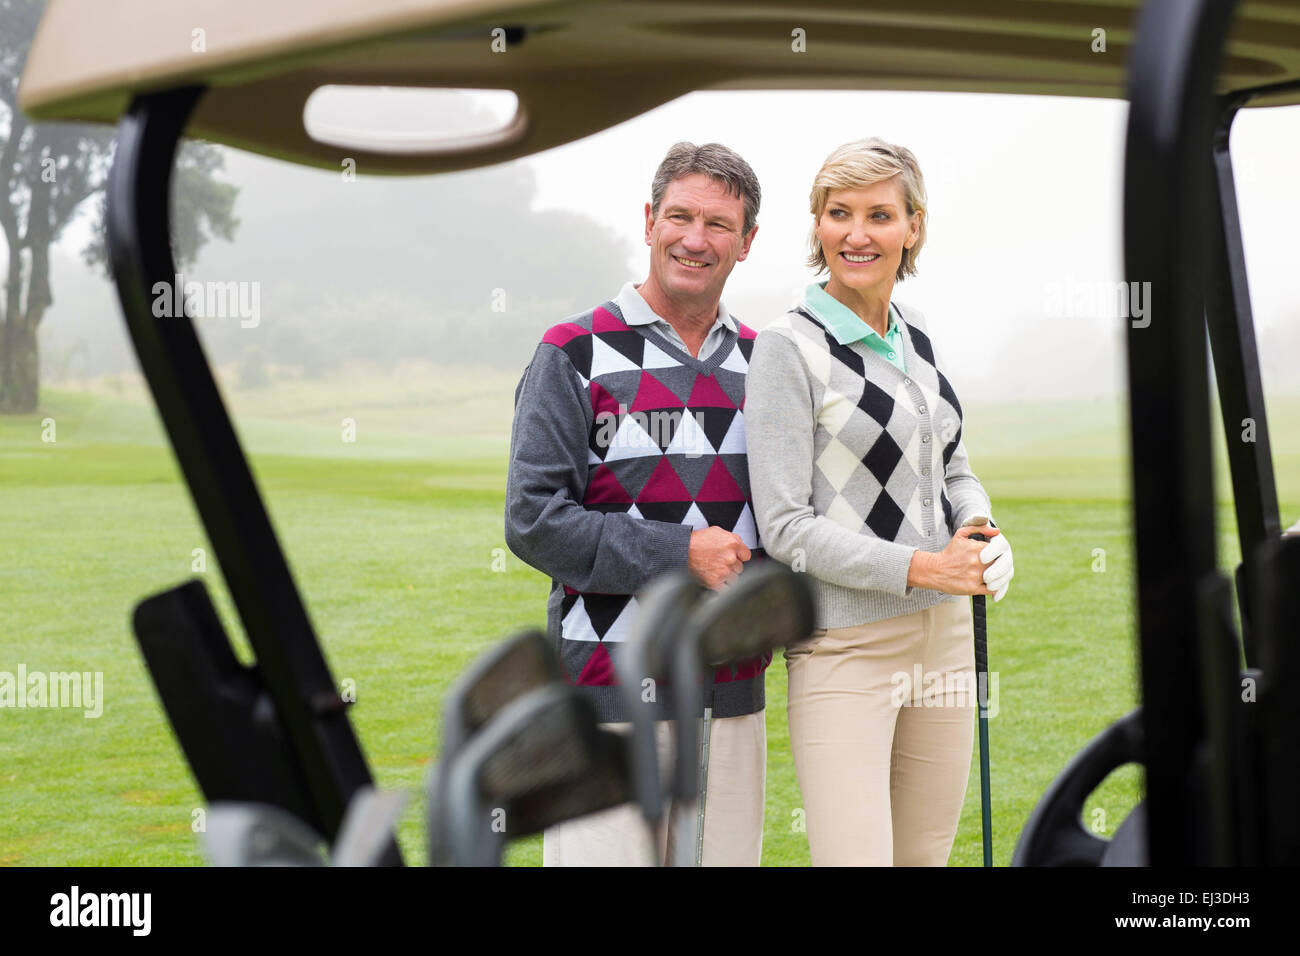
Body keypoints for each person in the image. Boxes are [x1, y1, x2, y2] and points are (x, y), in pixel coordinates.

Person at [745, 137, 1015, 866]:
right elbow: (786, 527)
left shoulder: (917, 332)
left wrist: (980, 529)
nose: (856, 234)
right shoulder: (787, 347)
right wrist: (926, 567)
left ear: (912, 227)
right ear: (817, 224)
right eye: (838, 213)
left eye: (879, 214)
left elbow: (952, 465)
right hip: (845, 648)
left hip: (945, 638)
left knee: (924, 858)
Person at [504, 141, 767, 866]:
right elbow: (533, 520)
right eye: (679, 216)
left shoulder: (766, 362)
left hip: (730, 692)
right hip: (606, 693)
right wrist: (681, 554)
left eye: (718, 224)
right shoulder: (572, 352)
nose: (694, 239)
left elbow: (789, 521)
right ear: (650, 220)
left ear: (747, 242)